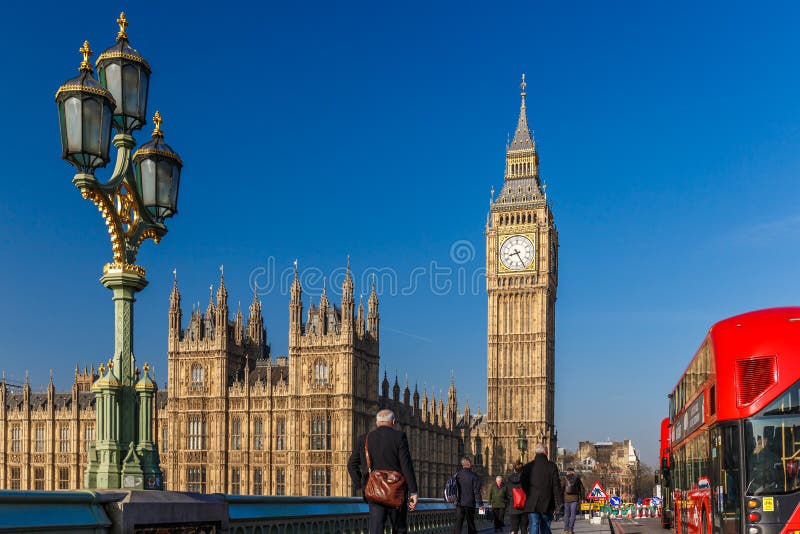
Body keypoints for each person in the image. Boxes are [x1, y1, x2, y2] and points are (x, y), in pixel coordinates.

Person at [347, 409, 419, 533]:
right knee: (399, 530)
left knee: (376, 530)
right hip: (396, 492)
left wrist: (363, 486)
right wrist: (413, 491)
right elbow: (406, 466)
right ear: (394, 421)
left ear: (377, 422)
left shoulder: (364, 439)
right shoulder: (399, 437)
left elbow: (351, 465)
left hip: (374, 494)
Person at [521, 443, 562, 534]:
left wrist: (530, 493)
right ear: (546, 452)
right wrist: (559, 502)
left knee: (534, 524)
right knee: (545, 526)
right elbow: (556, 486)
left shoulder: (528, 467)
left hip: (532, 502)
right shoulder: (552, 466)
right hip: (547, 502)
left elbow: (523, 484)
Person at [452, 456, 484, 534]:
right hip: (470, 503)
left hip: (459, 503)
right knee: (471, 524)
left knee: (458, 525)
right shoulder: (474, 476)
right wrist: (480, 504)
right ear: (469, 464)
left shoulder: (457, 475)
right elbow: (477, 491)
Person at [505, 461, 529, 534]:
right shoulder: (526, 478)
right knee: (524, 528)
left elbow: (508, 493)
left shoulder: (509, 479)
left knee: (514, 528)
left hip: (513, 506)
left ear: (514, 469)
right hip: (524, 506)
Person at [561, 467, 585, 534]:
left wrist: (560, 498)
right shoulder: (577, 478)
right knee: (573, 514)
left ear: (567, 472)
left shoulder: (564, 478)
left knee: (566, 514)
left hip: (566, 499)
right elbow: (581, 488)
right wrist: (582, 498)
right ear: (573, 471)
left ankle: (566, 529)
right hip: (575, 498)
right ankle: (571, 529)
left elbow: (561, 488)